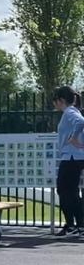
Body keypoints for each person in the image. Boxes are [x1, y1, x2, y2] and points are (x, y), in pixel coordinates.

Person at [53, 85, 84, 236]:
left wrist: (72, 138)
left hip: (71, 158)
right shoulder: (73, 111)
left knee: (64, 191)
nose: (54, 104)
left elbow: (80, 122)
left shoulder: (69, 112)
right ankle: (78, 226)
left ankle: (73, 225)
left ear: (61, 100)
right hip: (74, 157)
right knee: (70, 192)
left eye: (55, 100)